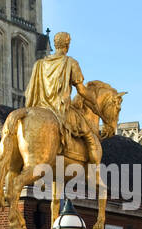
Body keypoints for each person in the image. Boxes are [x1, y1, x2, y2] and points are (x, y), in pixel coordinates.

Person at [23, 31, 101, 162]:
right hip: (60, 109)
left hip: (39, 108)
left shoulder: (39, 64)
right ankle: (94, 172)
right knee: (90, 135)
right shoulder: (70, 62)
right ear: (67, 44)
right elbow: (81, 90)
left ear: (55, 44)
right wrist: (94, 100)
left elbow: (30, 90)